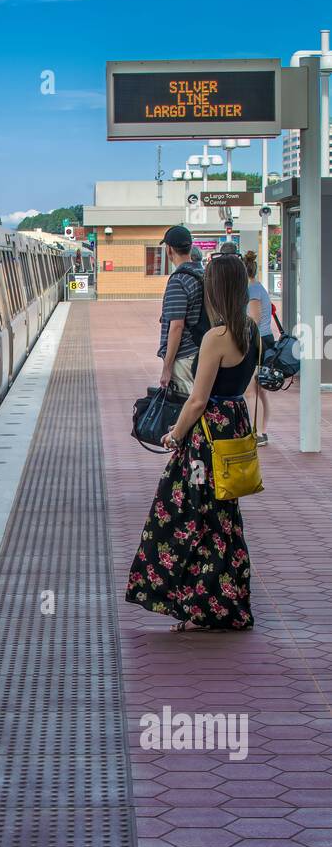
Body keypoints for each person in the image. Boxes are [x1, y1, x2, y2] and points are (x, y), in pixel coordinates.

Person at [126, 252, 260, 631]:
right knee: (224, 519)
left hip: (206, 439)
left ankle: (190, 602)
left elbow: (198, 399)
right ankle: (223, 600)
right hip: (234, 428)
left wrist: (175, 433)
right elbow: (242, 387)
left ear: (215, 290)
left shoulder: (215, 338)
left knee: (183, 514)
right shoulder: (251, 330)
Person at [158, 226, 208, 395]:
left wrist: (167, 367)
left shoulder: (178, 281)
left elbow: (177, 326)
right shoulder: (205, 274)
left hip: (185, 356)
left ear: (169, 249)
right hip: (204, 350)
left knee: (186, 410)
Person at [244, 249, 272, 446]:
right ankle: (262, 430)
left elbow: (254, 317)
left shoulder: (252, 289)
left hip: (256, 340)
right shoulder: (258, 286)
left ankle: (257, 433)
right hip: (265, 338)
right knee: (260, 390)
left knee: (250, 391)